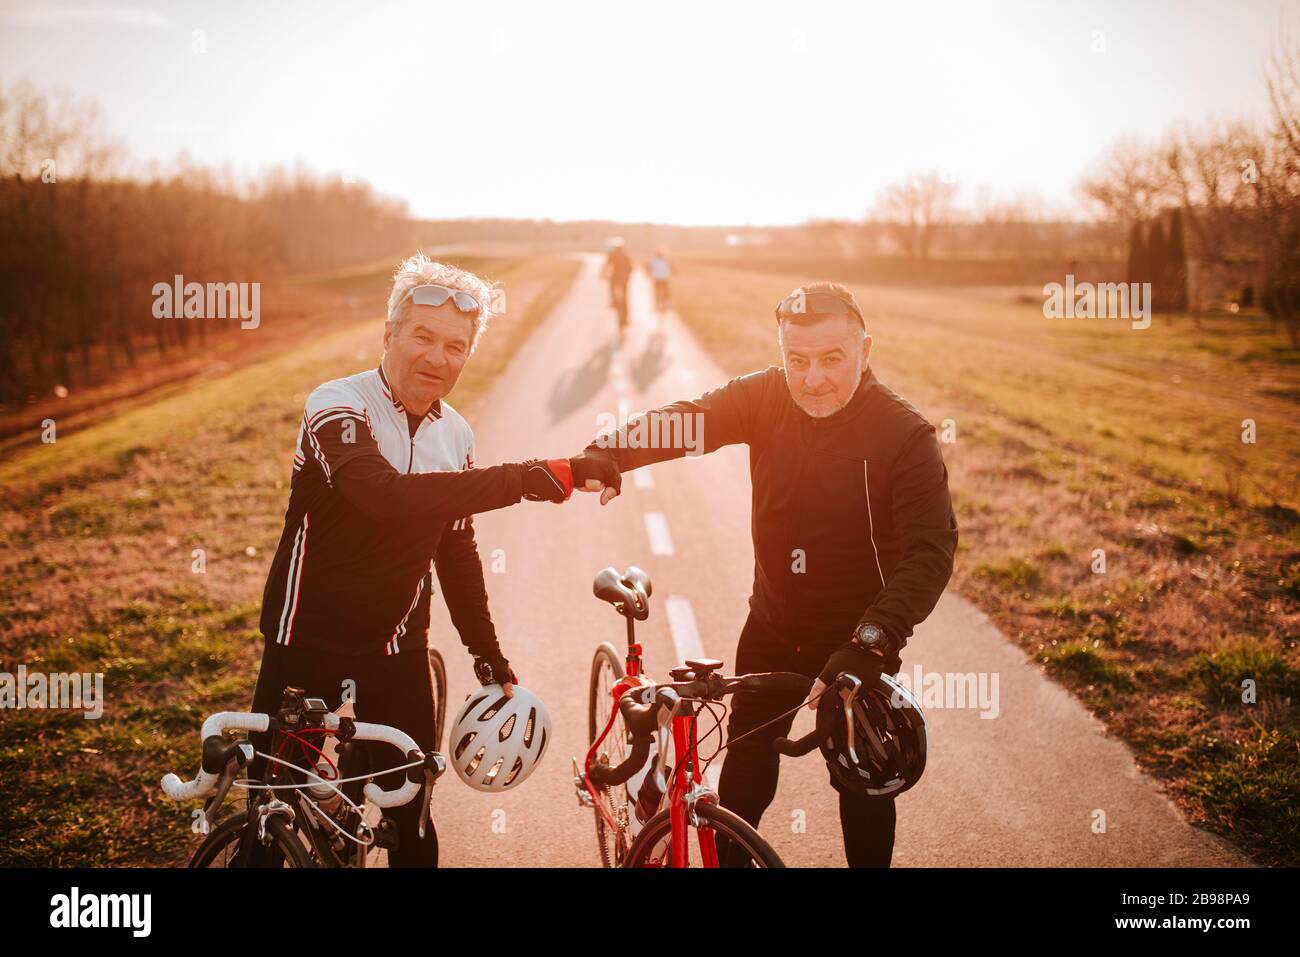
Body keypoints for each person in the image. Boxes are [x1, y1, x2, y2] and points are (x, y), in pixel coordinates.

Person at [569, 281, 958, 867]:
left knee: (862, 786)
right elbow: (690, 420)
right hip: (772, 626)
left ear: (865, 350)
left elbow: (930, 552)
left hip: (854, 640)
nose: (813, 378)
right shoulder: (767, 396)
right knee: (746, 777)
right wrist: (611, 451)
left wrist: (873, 642)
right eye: (796, 360)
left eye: (833, 359)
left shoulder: (904, 435)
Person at [249, 252, 608, 867]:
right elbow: (380, 496)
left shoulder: (456, 434)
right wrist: (528, 478)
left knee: (412, 824)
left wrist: (487, 652)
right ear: (388, 335)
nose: (438, 359)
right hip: (304, 643)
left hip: (396, 651)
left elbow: (456, 549)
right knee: (268, 825)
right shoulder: (336, 405)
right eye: (422, 337)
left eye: (456, 346)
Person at [603, 237, 633, 329]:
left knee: (613, 289)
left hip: (617, 278)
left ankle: (614, 302)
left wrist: (604, 274)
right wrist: (628, 276)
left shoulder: (613, 255)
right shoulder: (625, 255)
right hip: (623, 279)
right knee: (624, 298)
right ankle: (625, 318)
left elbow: (606, 265)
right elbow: (631, 268)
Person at [649, 247, 671, 314]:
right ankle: (663, 302)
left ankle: (661, 302)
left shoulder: (654, 261)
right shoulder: (664, 260)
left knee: (660, 291)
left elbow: (651, 269)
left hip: (659, 278)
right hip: (661, 278)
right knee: (663, 291)